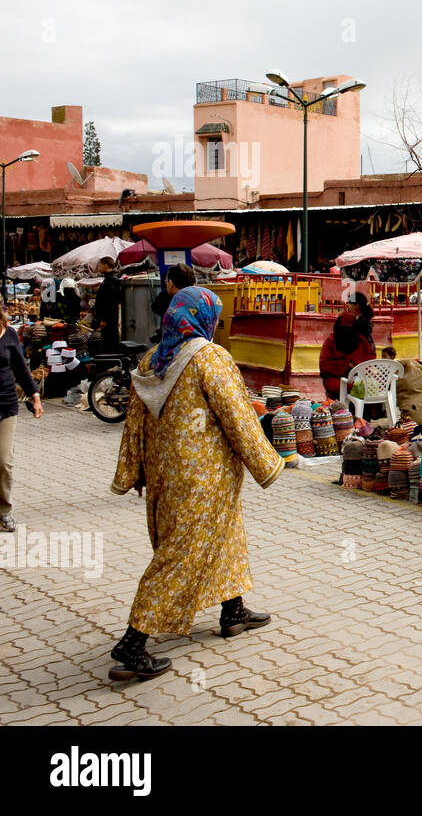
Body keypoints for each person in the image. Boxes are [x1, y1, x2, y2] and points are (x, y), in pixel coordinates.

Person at [109, 287, 284, 681]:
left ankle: (233, 610)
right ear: (201, 319)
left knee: (224, 537)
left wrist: (134, 471)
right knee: (180, 554)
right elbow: (237, 414)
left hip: (165, 477)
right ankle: (133, 642)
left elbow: (135, 422)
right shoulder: (209, 357)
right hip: (205, 478)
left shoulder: (153, 359)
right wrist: (267, 463)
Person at [0, 308, 43, 532]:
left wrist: (35, 396)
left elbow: (20, 368)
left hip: (6, 405)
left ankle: (5, 511)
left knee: (4, 461)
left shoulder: (8, 335)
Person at [319, 301, 377, 399]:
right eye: (344, 328)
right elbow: (324, 365)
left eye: (350, 328)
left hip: (358, 378)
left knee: (369, 386)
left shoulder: (360, 339)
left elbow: (370, 359)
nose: (347, 331)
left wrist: (357, 366)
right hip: (335, 378)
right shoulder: (331, 341)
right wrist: (346, 364)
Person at [151, 264, 197, 342]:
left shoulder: (166, 296)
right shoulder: (199, 297)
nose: (166, 284)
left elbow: (155, 308)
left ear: (171, 283)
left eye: (166, 281)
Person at [93, 257, 125, 350]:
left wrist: (104, 319)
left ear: (106, 265)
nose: (98, 268)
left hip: (109, 320)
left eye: (100, 265)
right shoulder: (107, 280)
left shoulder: (111, 280)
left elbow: (111, 302)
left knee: (109, 343)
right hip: (106, 319)